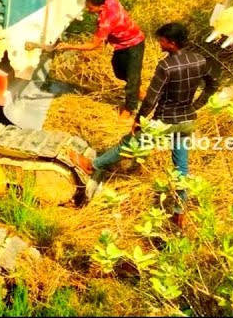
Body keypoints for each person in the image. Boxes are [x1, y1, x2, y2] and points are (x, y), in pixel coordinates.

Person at [68, 22, 218, 227]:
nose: (160, 43)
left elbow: (151, 99)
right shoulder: (200, 60)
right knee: (181, 166)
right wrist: (196, 105)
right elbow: (212, 84)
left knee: (128, 145)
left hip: (164, 121)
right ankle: (179, 210)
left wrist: (139, 120)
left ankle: (92, 165)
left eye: (162, 40)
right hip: (187, 120)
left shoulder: (166, 66)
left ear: (172, 43)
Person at [51, 0, 146, 120]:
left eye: (91, 7)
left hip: (134, 44)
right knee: (119, 72)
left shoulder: (107, 20)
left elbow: (94, 45)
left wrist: (69, 45)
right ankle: (138, 91)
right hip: (120, 44)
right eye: (87, 4)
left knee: (132, 79)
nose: (87, 8)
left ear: (101, 7)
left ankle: (129, 109)